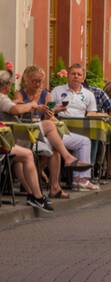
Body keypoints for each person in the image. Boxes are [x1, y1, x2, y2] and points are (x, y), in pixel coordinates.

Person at [14, 65, 93, 198]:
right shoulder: (20, 94)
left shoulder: (47, 95)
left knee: (55, 147)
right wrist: (33, 107)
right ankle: (66, 161)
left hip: (41, 132)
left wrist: (51, 112)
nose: (38, 84)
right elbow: (15, 106)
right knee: (53, 140)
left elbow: (48, 116)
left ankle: (54, 187)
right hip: (25, 132)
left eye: (41, 81)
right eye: (35, 81)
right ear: (26, 80)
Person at [0, 71, 54, 211]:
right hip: (3, 144)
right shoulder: (2, 97)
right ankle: (37, 197)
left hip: (7, 140)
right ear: (6, 86)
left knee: (23, 153)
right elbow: (15, 109)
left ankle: (33, 194)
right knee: (27, 154)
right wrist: (32, 105)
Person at [47, 62, 101, 192]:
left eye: (79, 74)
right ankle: (80, 180)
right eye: (73, 74)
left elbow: (92, 112)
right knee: (84, 141)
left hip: (80, 128)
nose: (76, 76)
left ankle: (80, 180)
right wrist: (57, 110)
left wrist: (93, 115)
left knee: (88, 140)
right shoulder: (57, 91)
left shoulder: (88, 94)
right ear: (68, 76)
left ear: (83, 77)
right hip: (59, 129)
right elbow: (48, 110)